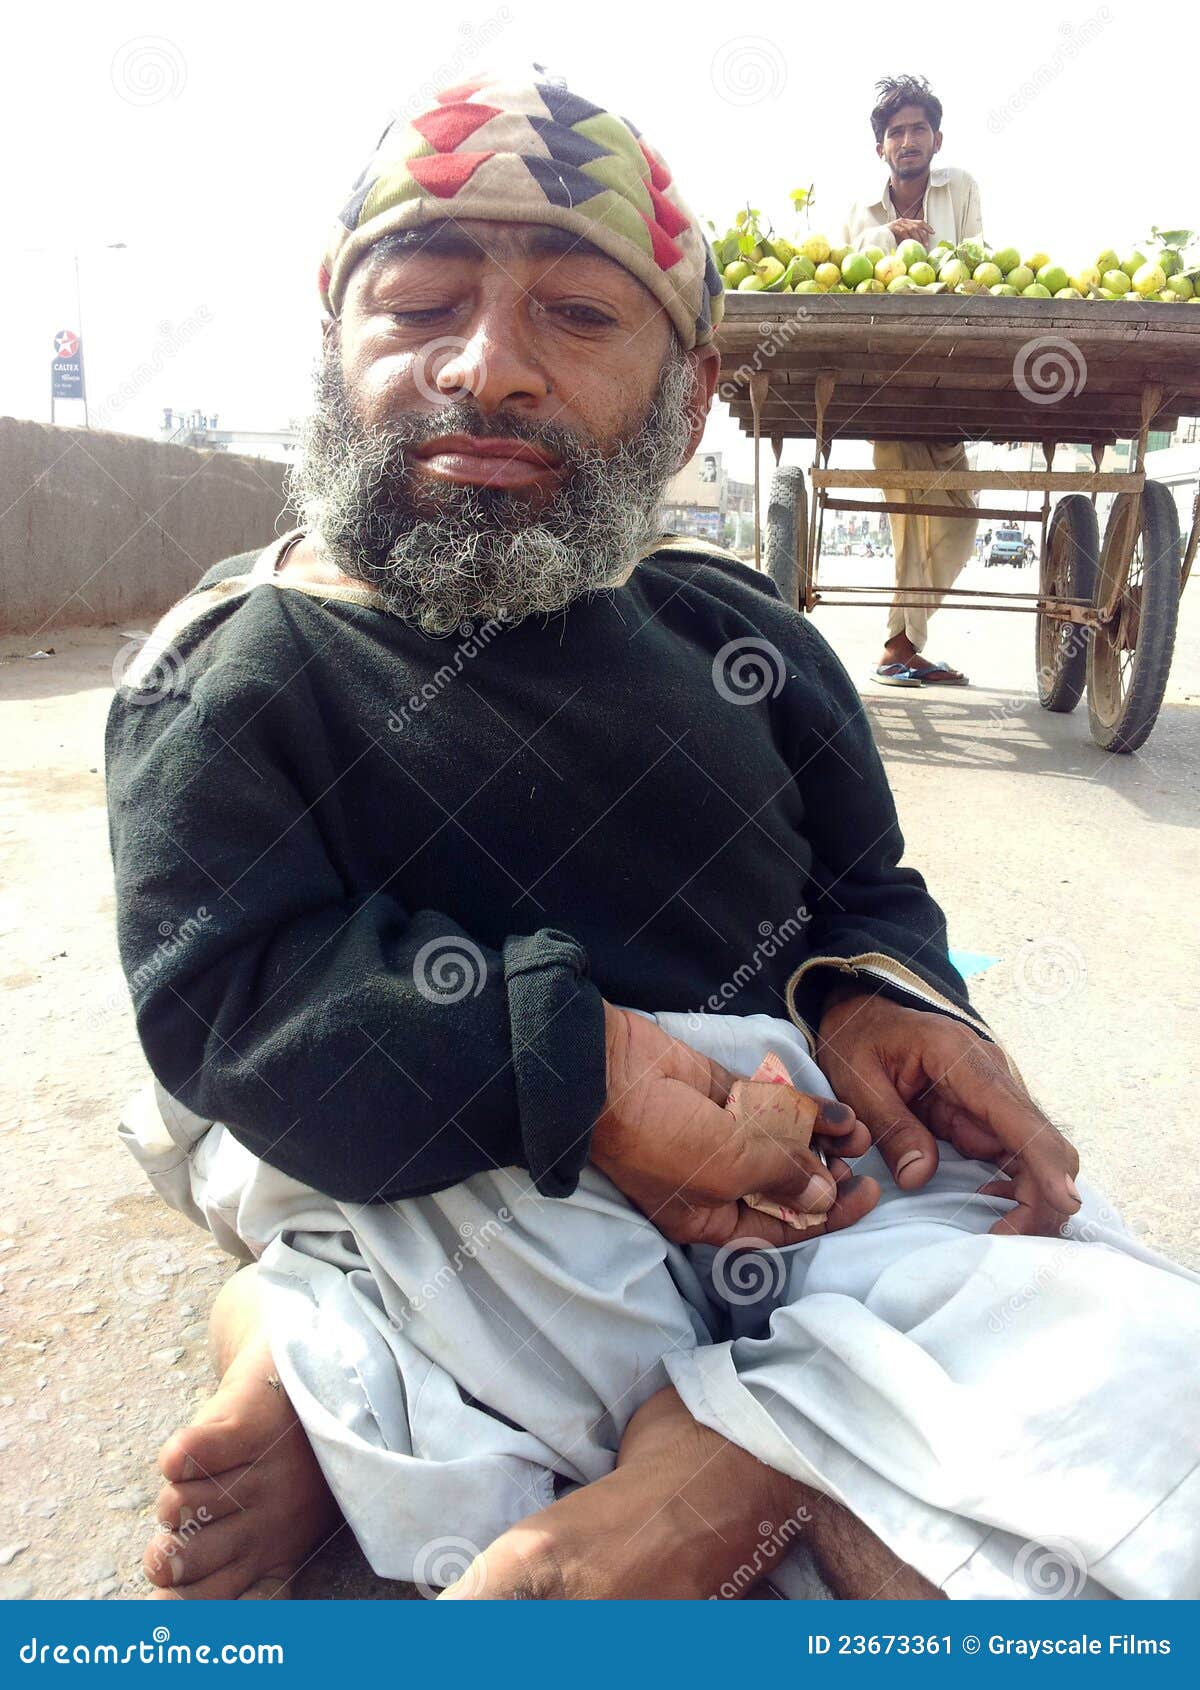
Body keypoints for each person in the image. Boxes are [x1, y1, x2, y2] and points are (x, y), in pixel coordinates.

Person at [107, 69, 1200, 1603]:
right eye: (420, 305)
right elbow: (232, 998)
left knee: (1131, 1363)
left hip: (796, 1171)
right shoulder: (243, 661)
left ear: (689, 400)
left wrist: (882, 995)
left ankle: (671, 1445)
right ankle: (462, 1395)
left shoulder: (739, 632)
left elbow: (863, 891)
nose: (486, 371)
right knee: (396, 1248)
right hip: (476, 1177)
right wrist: (583, 1068)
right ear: (334, 341)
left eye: (579, 317)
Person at [840, 76, 983, 689]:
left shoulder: (962, 188)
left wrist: (937, 249)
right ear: (881, 148)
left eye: (918, 128)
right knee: (907, 514)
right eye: (896, 132)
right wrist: (889, 238)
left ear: (936, 138)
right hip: (887, 383)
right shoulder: (862, 212)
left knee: (960, 516)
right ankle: (898, 645)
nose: (908, 140)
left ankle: (904, 643)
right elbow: (843, 276)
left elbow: (980, 261)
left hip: (947, 381)